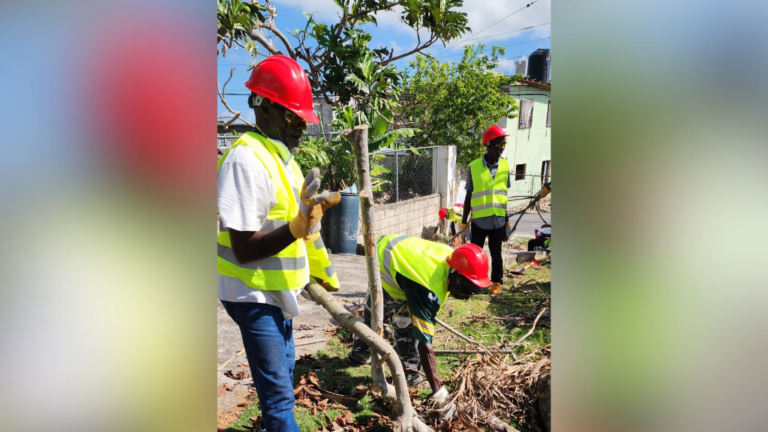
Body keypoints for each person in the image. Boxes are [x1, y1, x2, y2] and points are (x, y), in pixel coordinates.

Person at [217, 55, 341, 432]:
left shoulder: (284, 158)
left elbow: (304, 232)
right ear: (265, 107)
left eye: (304, 118)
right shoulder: (245, 160)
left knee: (285, 372)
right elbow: (243, 247)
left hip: (278, 291)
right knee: (279, 399)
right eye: (294, 116)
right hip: (251, 295)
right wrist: (297, 226)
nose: (302, 126)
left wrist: (323, 272)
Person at [346, 236, 491, 421]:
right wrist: (439, 391)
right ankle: (410, 372)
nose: (467, 296)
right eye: (466, 287)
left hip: (392, 251)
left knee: (375, 309)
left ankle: (359, 353)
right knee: (405, 324)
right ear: (454, 274)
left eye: (473, 291)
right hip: (384, 261)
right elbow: (424, 342)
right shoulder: (427, 286)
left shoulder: (452, 259)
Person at [461, 125, 513, 297]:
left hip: (497, 221)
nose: (502, 149)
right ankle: (474, 284)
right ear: (489, 145)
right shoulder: (474, 167)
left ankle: (496, 283)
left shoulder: (505, 167)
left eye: (503, 145)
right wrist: (464, 223)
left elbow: (503, 197)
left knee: (496, 255)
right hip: (479, 221)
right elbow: (468, 196)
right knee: (476, 255)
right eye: (499, 145)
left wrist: (506, 221)